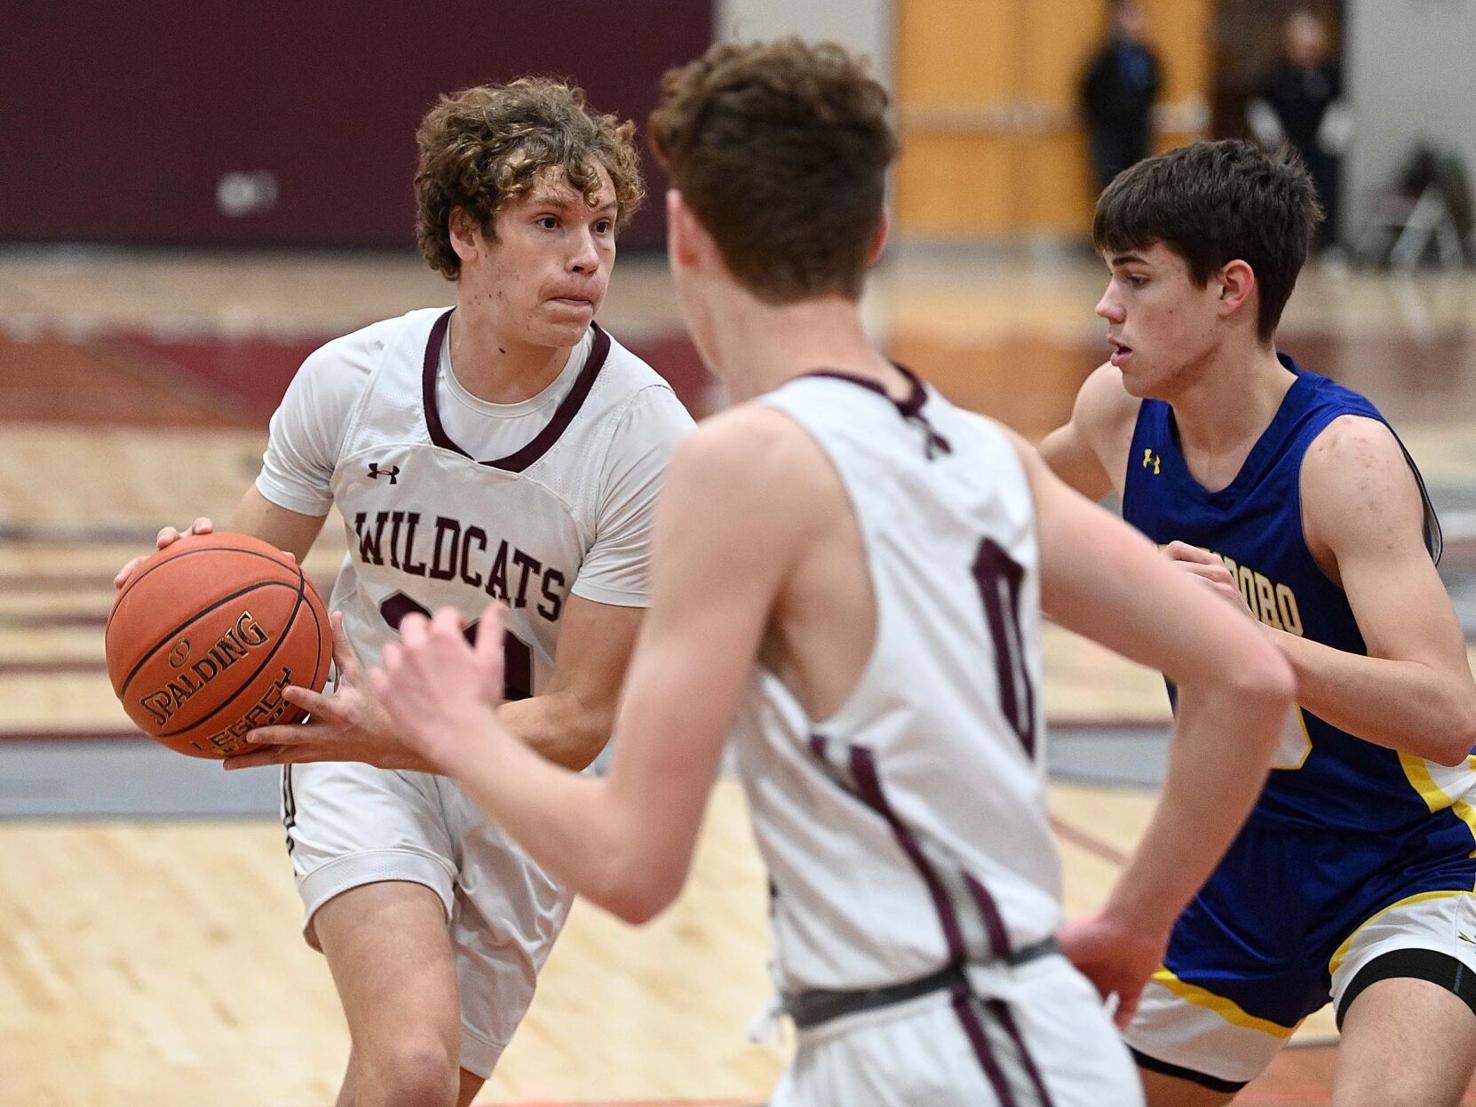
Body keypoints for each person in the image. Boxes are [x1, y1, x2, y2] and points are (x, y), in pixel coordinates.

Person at [361, 41, 1294, 1106]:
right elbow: (1249, 678)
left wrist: (458, 733)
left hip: (919, 1058)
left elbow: (632, 864)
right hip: (1033, 1040)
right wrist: (1137, 921)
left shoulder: (742, 462)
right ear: (877, 235)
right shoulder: (980, 452)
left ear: (694, 236)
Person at [115, 79, 693, 1107]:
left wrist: (407, 733)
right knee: (415, 1063)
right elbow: (250, 571)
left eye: (602, 226)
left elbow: (574, 721)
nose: (587, 257)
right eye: (549, 223)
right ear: (466, 232)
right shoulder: (354, 380)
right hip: (357, 749)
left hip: (518, 785)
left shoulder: (646, 439)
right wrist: (178, 581)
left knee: (412, 1090)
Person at [1040, 138, 1476, 1105]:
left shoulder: (1342, 461)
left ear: (1231, 290)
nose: (1105, 307)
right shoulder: (1119, 413)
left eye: (1136, 279)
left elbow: (1449, 709)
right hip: (1241, 867)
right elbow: (1007, 501)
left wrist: (1254, 642)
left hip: (1411, 861)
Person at [1246, 9, 1349, 252]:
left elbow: (1341, 105)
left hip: (1320, 148)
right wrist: (1273, 137)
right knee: (1281, 195)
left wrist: (1333, 138)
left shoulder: (1329, 73)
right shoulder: (1277, 73)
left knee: (1325, 194)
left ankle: (1330, 245)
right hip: (1287, 148)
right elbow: (1260, 107)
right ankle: (1280, 246)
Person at [1081, 0, 1161, 195]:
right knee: (1110, 188)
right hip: (1110, 135)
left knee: (1139, 188)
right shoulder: (1104, 58)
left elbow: (1155, 87)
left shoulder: (1147, 56)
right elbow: (1088, 91)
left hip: (1138, 132)